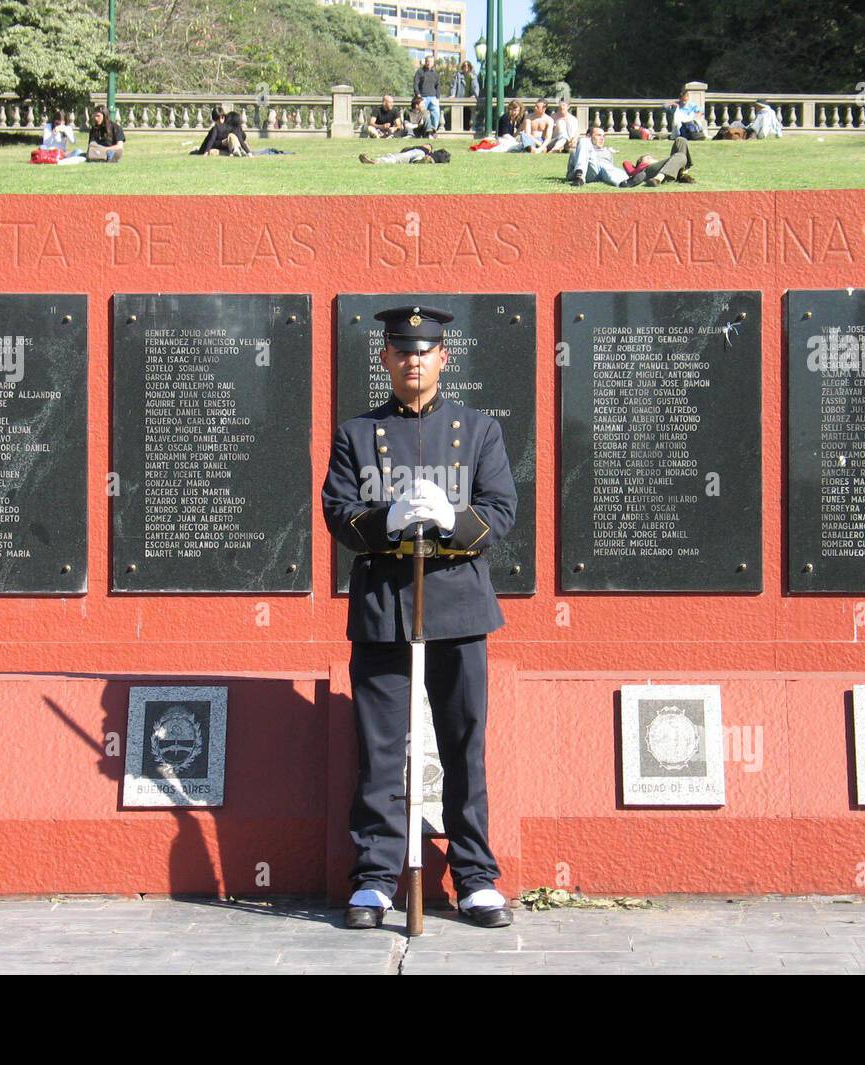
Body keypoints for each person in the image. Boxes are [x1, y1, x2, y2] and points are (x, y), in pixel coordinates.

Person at [321, 305, 517, 931]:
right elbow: (337, 512)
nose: (413, 359)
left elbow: (500, 512)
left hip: (457, 605)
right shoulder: (357, 433)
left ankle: (476, 877)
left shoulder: (480, 429)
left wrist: (452, 519)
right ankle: (376, 880)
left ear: (443, 358)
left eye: (425, 350)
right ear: (385, 359)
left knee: (464, 748)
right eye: (402, 350)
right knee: (380, 753)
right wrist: (388, 520)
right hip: (384, 607)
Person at [622, 135, 697, 186]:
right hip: (651, 172)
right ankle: (658, 178)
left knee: (681, 140)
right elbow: (626, 163)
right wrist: (635, 169)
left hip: (667, 169)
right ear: (641, 163)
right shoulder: (641, 169)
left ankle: (681, 175)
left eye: (651, 157)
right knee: (681, 156)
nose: (651, 158)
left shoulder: (666, 164)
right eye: (648, 158)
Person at [413, 54, 442, 136]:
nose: (429, 63)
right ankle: (423, 131)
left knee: (435, 115)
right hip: (423, 97)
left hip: (433, 97)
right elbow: (415, 84)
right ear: (425, 62)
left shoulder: (435, 73)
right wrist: (418, 94)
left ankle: (433, 131)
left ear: (433, 63)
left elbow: (438, 85)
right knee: (423, 115)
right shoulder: (420, 72)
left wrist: (438, 96)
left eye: (430, 61)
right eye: (427, 61)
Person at [359, 144, 451, 165]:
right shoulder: (435, 153)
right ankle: (421, 161)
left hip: (417, 153)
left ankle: (375, 161)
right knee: (394, 158)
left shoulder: (424, 148)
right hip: (421, 156)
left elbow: (404, 150)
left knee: (394, 158)